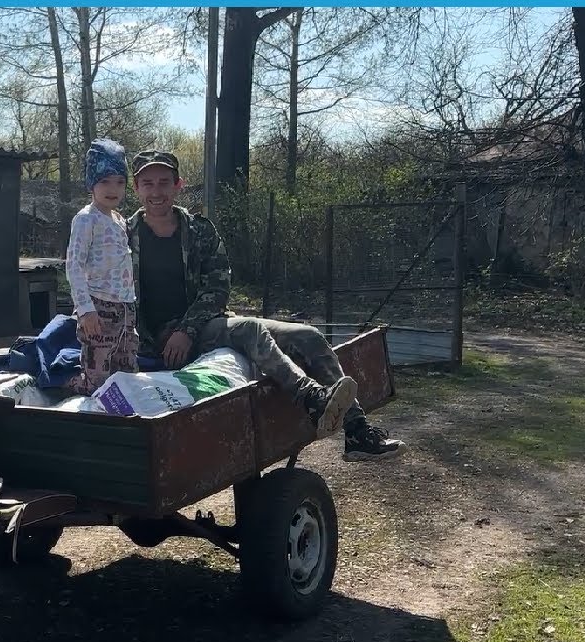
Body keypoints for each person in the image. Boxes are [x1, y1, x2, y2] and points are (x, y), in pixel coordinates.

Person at [126, 150, 406, 461]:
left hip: (203, 324)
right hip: (160, 339)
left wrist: (188, 329)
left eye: (164, 182)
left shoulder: (200, 231)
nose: (156, 192)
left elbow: (218, 287)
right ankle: (312, 398)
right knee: (249, 328)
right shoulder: (123, 235)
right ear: (136, 189)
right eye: (147, 184)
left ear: (179, 185)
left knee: (308, 335)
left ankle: (357, 432)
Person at [64, 138, 140, 395]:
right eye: (105, 181)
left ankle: (123, 416)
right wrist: (85, 309)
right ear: (92, 184)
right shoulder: (87, 219)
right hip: (99, 307)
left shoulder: (119, 220)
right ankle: (70, 390)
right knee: (97, 374)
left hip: (126, 307)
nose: (113, 188)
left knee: (127, 369)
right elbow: (74, 265)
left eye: (120, 182)